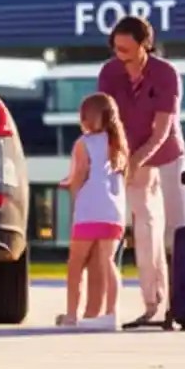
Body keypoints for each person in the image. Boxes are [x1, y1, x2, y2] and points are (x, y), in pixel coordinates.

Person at [96, 15, 185, 326]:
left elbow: (163, 128)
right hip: (131, 155)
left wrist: (138, 159)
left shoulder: (166, 74)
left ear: (144, 45)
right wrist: (121, 158)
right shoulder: (110, 73)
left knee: (177, 230)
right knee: (145, 231)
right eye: (115, 47)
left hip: (166, 155)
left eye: (125, 47)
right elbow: (107, 120)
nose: (119, 52)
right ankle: (153, 304)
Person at [58, 92, 129, 330]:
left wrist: (72, 188)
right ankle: (112, 313)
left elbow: (80, 174)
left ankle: (71, 315)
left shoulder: (83, 143)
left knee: (75, 264)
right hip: (113, 213)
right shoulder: (118, 144)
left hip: (89, 210)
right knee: (108, 262)